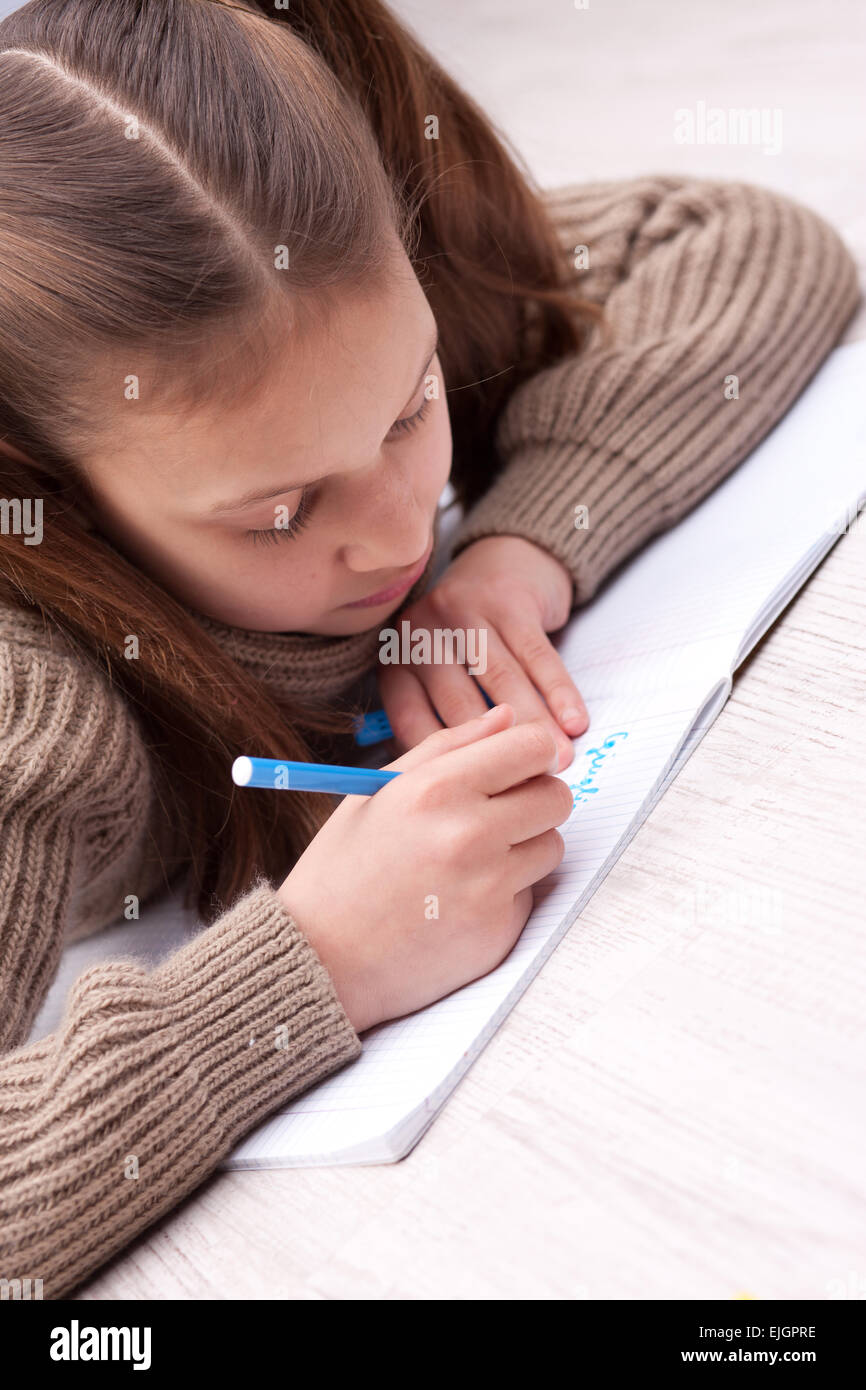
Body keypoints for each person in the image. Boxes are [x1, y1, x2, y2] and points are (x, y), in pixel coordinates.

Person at [0, 0, 858, 1298]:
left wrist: (521, 544)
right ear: (53, 494)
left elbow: (742, 241)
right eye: (281, 512)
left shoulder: (308, 294)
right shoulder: (36, 705)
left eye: (411, 411)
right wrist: (314, 967)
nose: (401, 531)